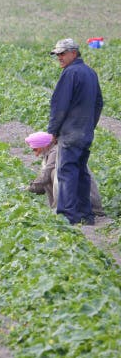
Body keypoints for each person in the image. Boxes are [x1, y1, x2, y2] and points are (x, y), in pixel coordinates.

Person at [47, 38, 103, 225]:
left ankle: (67, 215)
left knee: (66, 172)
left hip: (70, 133)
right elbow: (98, 104)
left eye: (62, 54)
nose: (59, 58)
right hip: (85, 132)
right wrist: (90, 125)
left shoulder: (70, 73)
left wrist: (53, 132)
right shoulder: (90, 73)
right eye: (57, 55)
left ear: (73, 53)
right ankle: (86, 215)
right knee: (81, 172)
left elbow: (59, 106)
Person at [24, 131, 103, 215]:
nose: (36, 154)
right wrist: (33, 188)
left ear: (45, 145)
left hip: (88, 202)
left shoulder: (56, 151)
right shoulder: (50, 152)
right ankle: (58, 208)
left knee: (54, 173)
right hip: (80, 199)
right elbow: (42, 181)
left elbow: (45, 177)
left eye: (35, 149)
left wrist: (29, 188)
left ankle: (60, 209)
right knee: (48, 176)